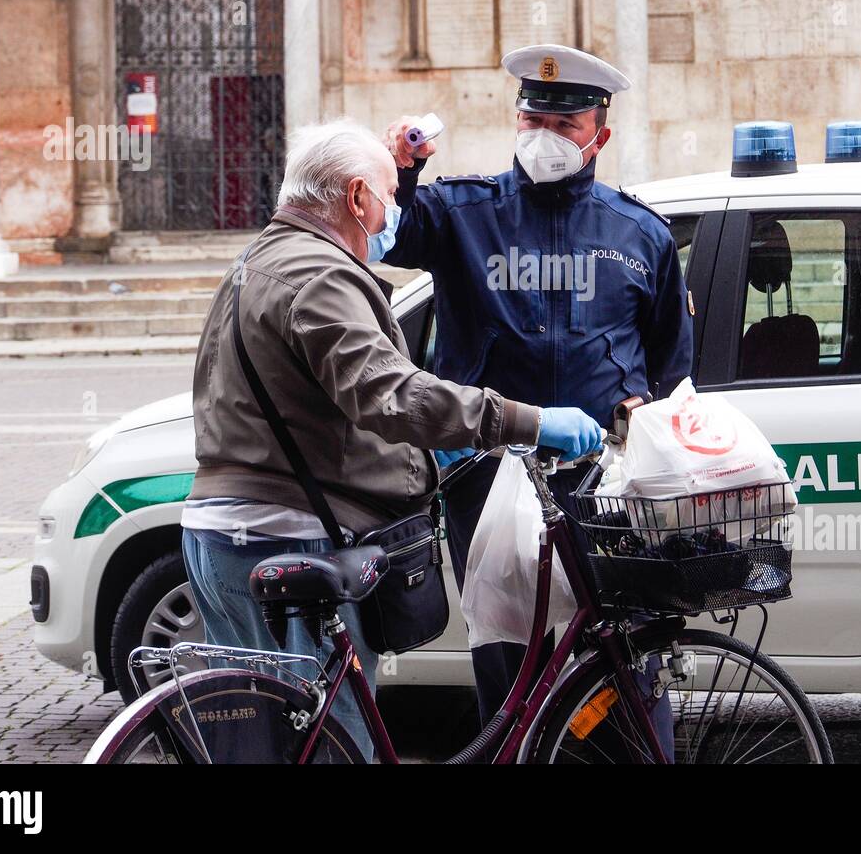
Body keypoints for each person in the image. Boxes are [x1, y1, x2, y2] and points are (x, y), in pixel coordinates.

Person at [180, 118, 602, 761]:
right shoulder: (321, 275)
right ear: (355, 198)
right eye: (389, 198)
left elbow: (310, 405)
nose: (392, 217)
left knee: (265, 747)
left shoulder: (261, 259)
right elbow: (391, 395)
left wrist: (428, 454)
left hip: (225, 535)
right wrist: (530, 421)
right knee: (337, 742)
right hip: (288, 534)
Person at [383, 44, 694, 727]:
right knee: (509, 666)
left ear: (599, 135)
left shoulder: (639, 234)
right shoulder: (463, 213)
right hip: (487, 477)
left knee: (623, 659)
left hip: (602, 482)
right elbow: (387, 234)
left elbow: (674, 373)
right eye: (533, 120)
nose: (545, 137)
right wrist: (399, 173)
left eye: (565, 125)